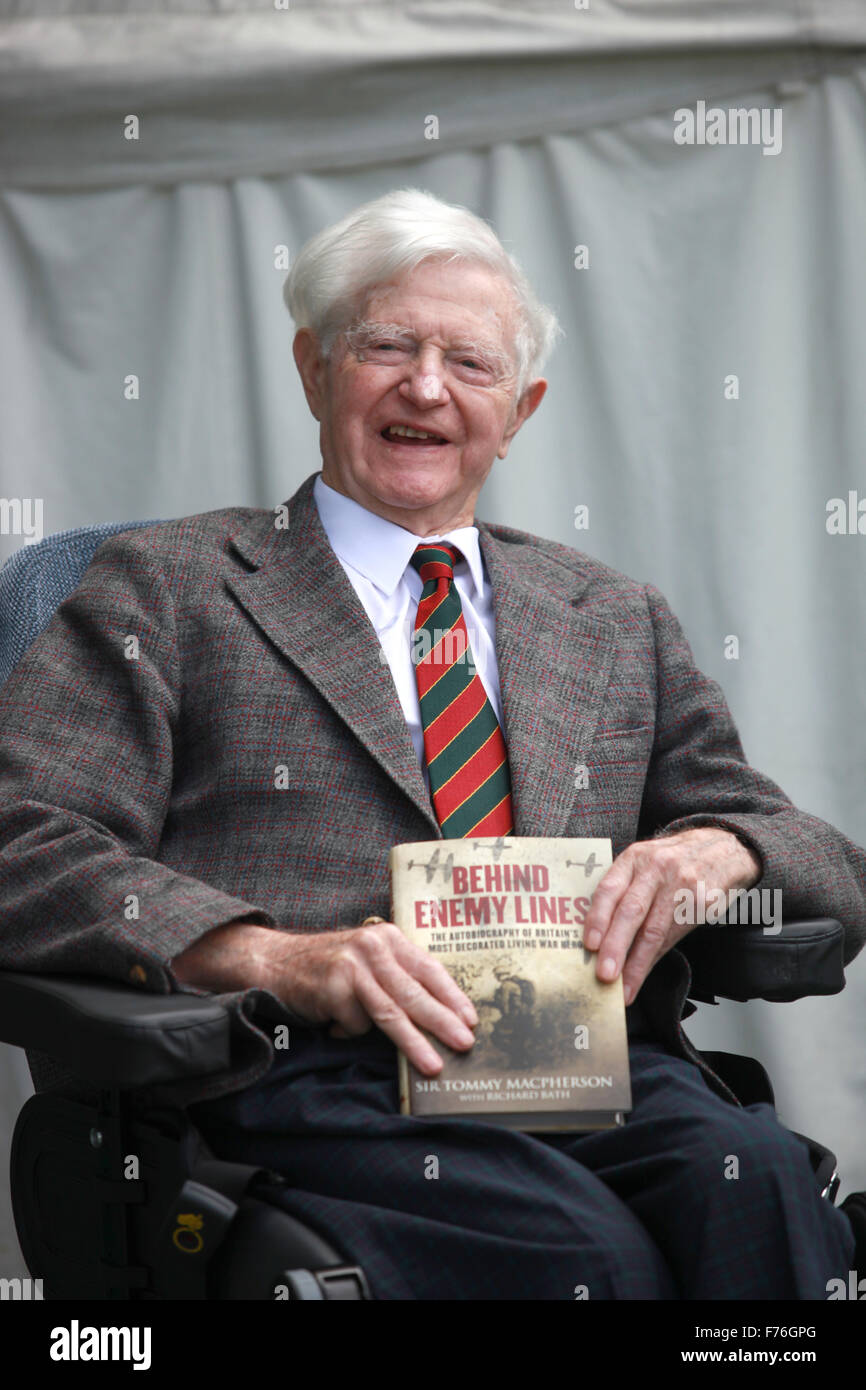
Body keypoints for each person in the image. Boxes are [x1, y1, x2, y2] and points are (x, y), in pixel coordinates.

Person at [0, 189, 863, 1300]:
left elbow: (818, 858)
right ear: (315, 369)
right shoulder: (167, 585)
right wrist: (275, 956)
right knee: (582, 1262)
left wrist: (721, 853)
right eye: (386, 346)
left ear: (520, 408)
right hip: (303, 1070)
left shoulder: (607, 613)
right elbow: (23, 842)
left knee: (758, 1190)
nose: (425, 387)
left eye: (469, 362)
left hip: (579, 1059)